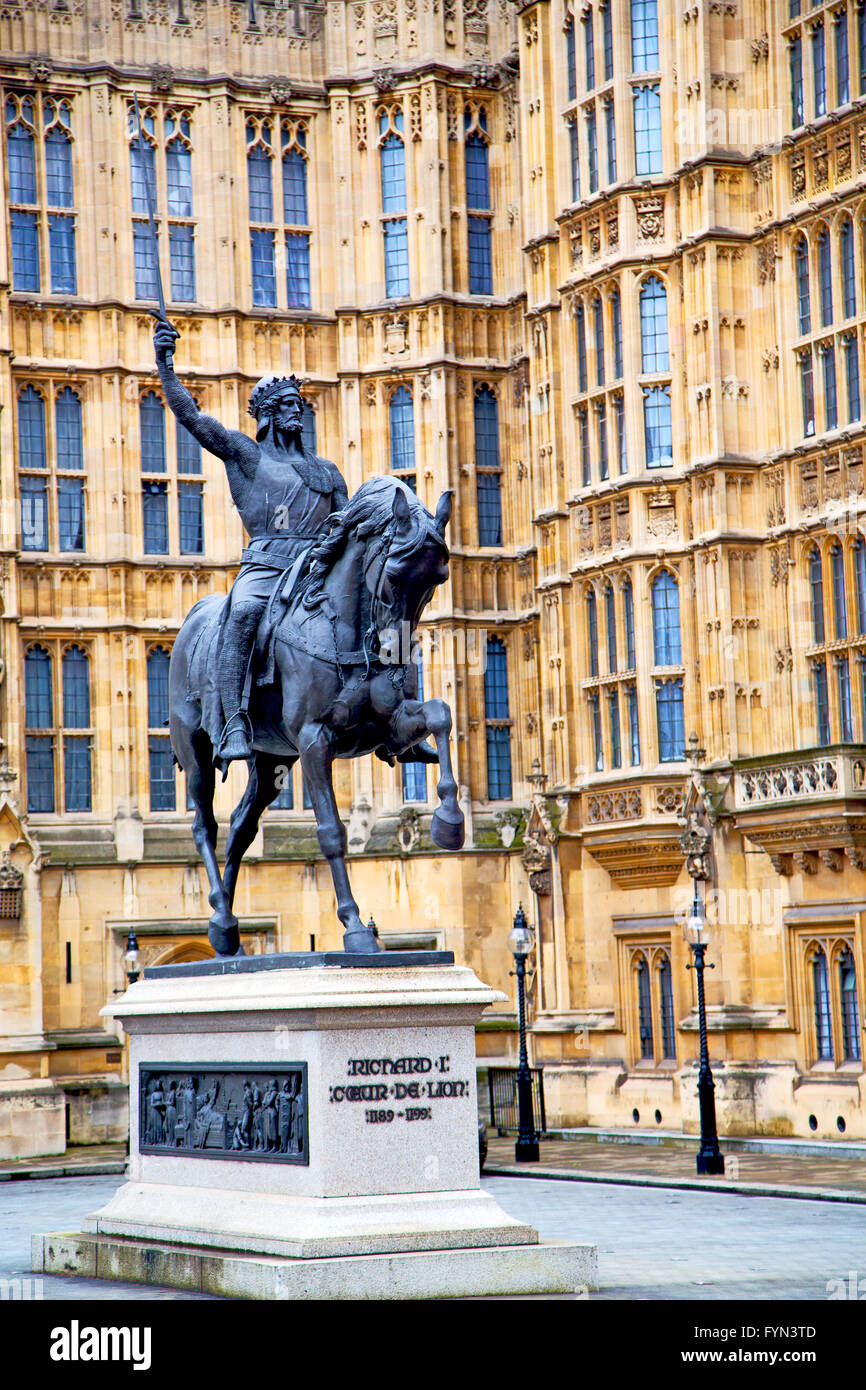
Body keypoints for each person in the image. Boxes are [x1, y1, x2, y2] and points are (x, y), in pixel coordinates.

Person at [153, 318, 348, 764]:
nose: (295, 410)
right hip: (265, 568)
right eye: (285, 404)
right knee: (241, 615)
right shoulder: (247, 455)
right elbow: (192, 417)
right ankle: (234, 721)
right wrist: (165, 364)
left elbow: (346, 524)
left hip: (315, 572)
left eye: (298, 403)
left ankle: (393, 721)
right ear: (267, 413)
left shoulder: (328, 471)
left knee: (376, 612)